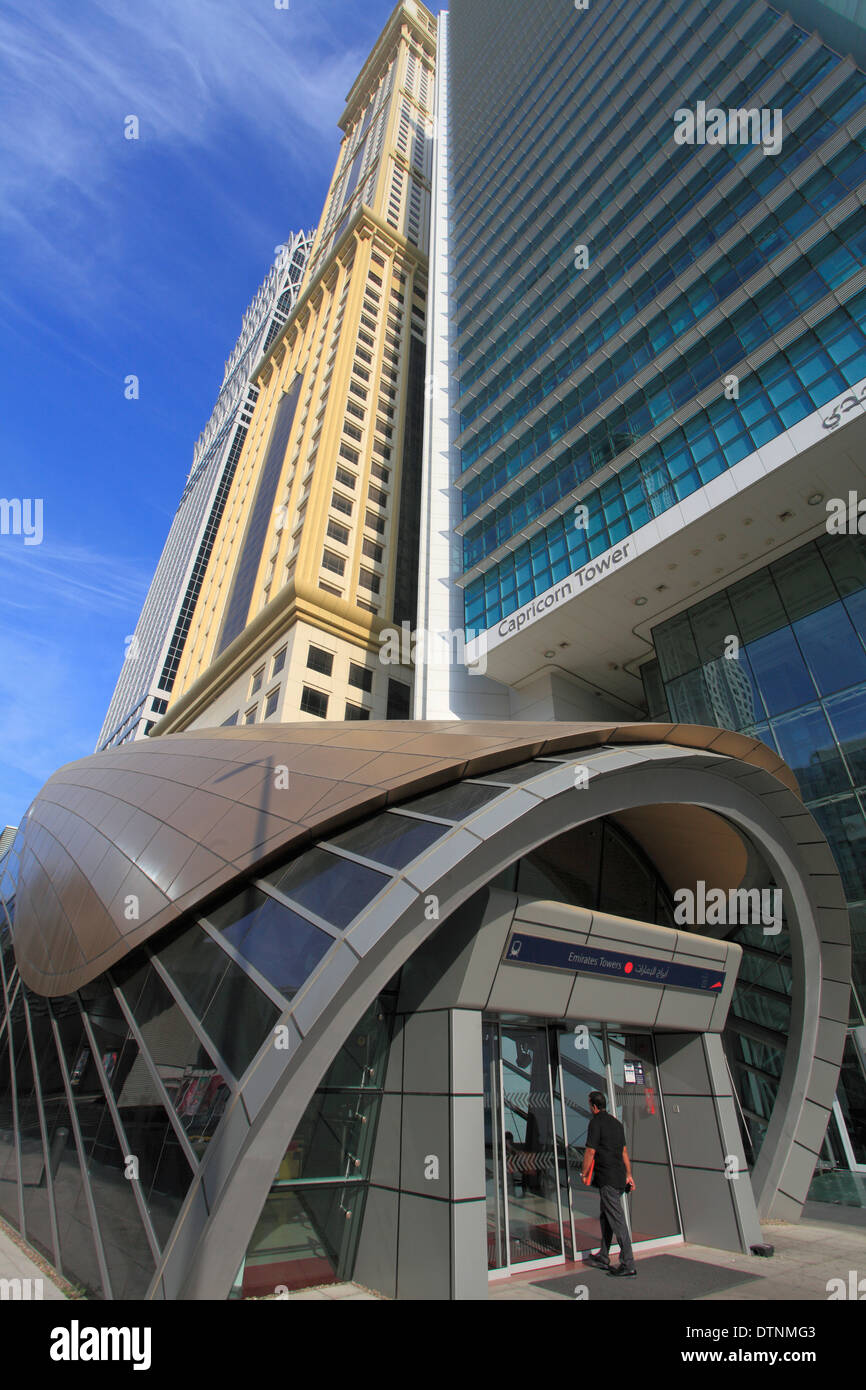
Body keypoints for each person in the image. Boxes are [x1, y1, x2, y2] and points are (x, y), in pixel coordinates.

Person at [580, 1090, 637, 1277]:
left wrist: (584, 1172)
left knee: (616, 1219)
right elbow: (624, 1153)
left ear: (594, 1106)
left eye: (590, 1104)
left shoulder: (595, 1123)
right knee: (606, 1216)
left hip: (608, 1179)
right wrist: (629, 1175)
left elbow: (590, 1152)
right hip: (619, 1177)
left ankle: (628, 1263)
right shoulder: (616, 1124)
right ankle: (604, 1255)